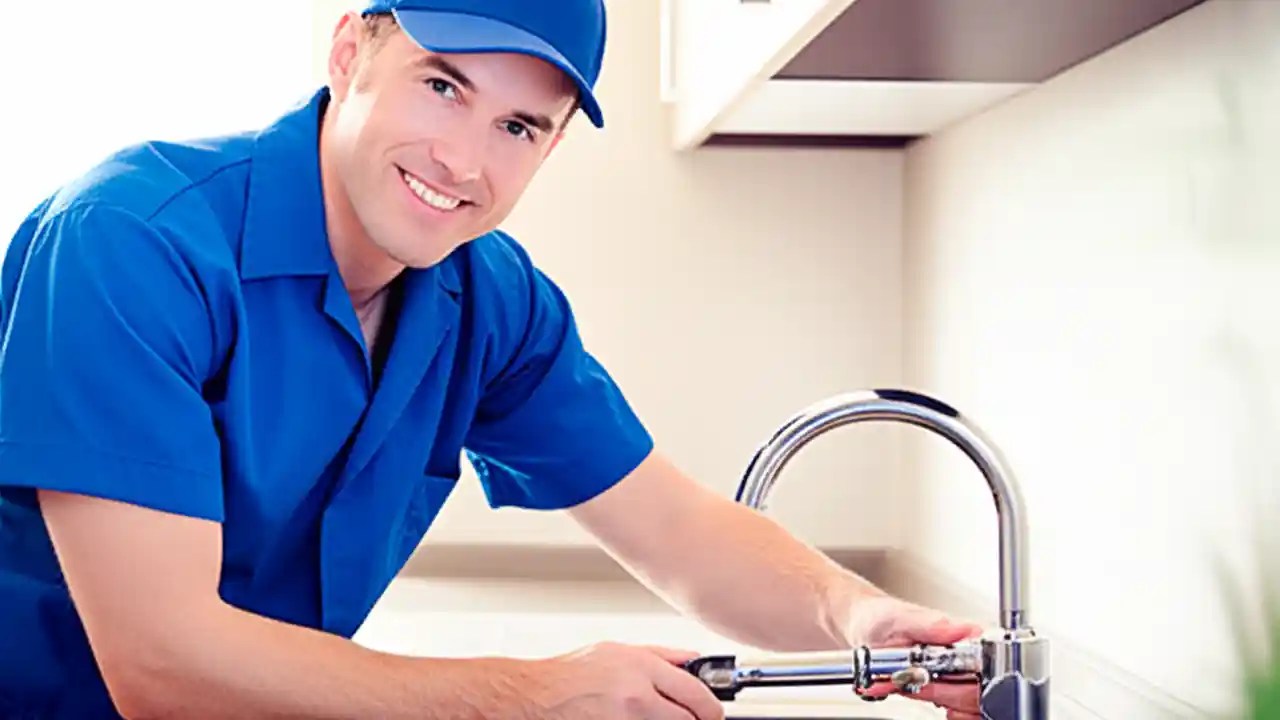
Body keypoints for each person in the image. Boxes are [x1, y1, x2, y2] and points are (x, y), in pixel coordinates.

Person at [0, 1, 985, 718]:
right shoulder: (130, 243)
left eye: (518, 126)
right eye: (443, 87)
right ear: (350, 53)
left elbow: (676, 528)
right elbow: (161, 665)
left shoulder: (489, 299)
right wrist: (527, 693)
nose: (464, 163)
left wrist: (858, 616)